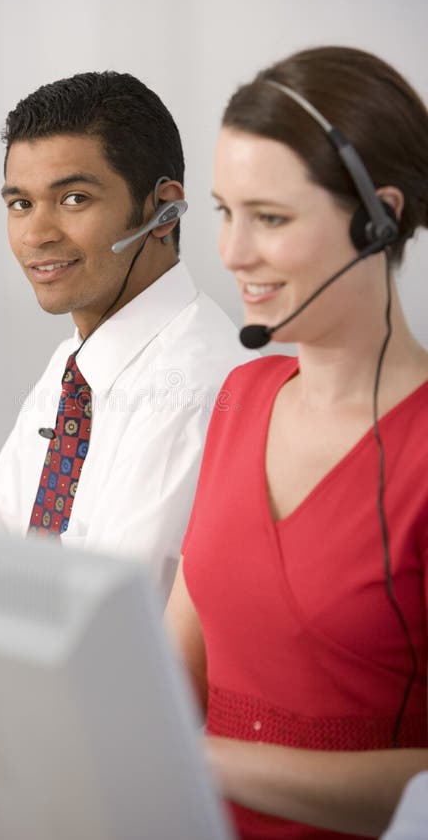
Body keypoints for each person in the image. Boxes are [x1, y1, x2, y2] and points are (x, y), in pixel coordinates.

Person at [166, 46, 428, 838]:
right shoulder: (242, 398)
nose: (232, 252)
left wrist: (198, 758)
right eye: (224, 211)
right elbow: (177, 662)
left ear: (375, 218)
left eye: (270, 218)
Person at [0, 71, 254, 599]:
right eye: (20, 204)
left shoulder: (193, 387)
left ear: (163, 211)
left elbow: (110, 611)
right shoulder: (79, 362)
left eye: (74, 199)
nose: (37, 234)